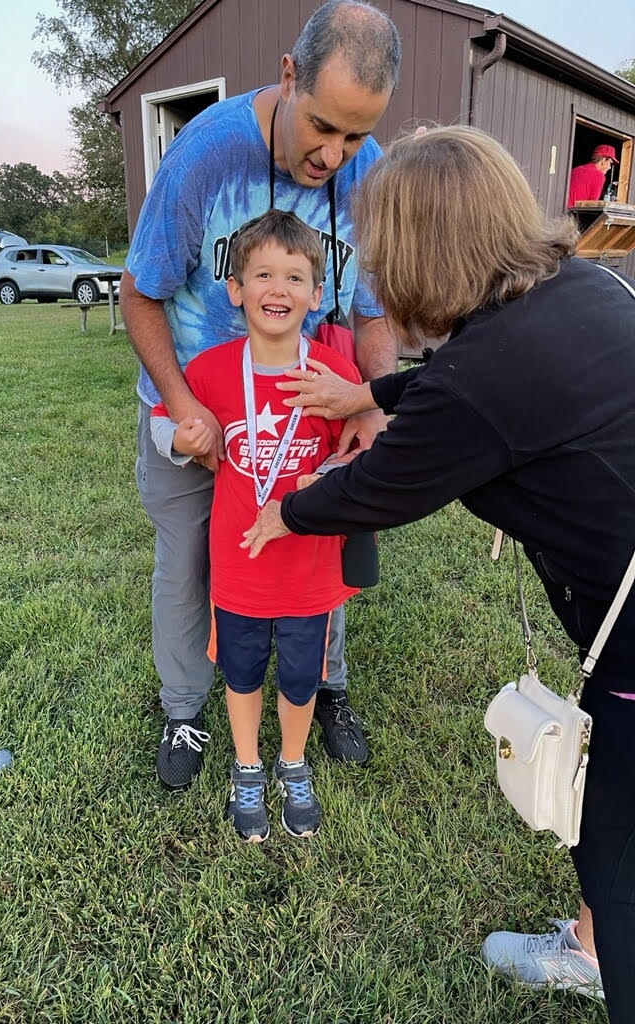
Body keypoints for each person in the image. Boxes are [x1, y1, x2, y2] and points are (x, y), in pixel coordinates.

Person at [242, 125, 635, 1024]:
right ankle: (588, 948)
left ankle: (606, 949)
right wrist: (369, 393)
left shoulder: (482, 377)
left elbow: (380, 485)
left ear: (415, 251)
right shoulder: (583, 286)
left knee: (619, 853)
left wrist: (286, 511)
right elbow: (470, 376)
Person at [120, 0, 402, 791]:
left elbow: (374, 310)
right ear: (288, 76)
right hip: (196, 407)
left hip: (306, 414)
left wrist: (368, 401)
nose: (335, 154)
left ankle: (326, 688)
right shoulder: (206, 153)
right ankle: (185, 708)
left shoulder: (368, 172)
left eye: (356, 135)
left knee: (319, 541)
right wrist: (184, 407)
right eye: (323, 126)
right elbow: (140, 293)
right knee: (188, 562)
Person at [150, 210, 361, 841]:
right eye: (263, 274)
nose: (278, 289)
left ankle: (292, 764)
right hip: (239, 567)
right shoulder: (211, 370)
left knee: (300, 676)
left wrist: (331, 474)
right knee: (241, 673)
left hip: (311, 570)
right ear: (235, 288)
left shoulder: (335, 374)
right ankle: (247, 767)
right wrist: (182, 440)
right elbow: (165, 424)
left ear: (317, 295)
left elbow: (358, 455)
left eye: (295, 277)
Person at [567, 144, 618, 208]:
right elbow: (592, 205)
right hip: (573, 213)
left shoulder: (575, 169)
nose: (610, 167)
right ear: (603, 160)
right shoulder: (599, 176)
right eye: (610, 163)